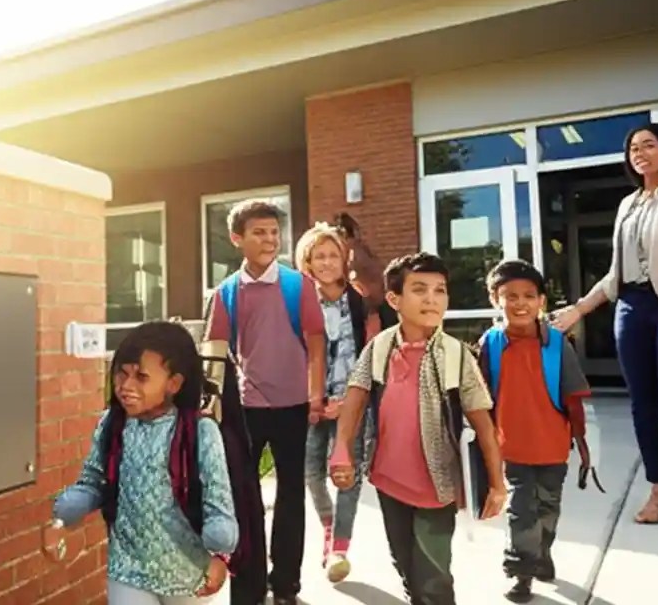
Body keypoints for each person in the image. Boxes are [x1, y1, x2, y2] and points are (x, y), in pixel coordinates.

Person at [550, 122, 658, 531]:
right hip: (631, 307)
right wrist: (579, 309)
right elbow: (615, 274)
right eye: (632, 148)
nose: (639, 153)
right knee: (641, 404)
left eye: (648, 145)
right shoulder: (627, 205)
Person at [331, 252, 506, 605]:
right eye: (420, 289)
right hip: (387, 479)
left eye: (440, 290)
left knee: (434, 579)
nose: (432, 298)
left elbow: (484, 426)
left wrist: (497, 483)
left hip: (436, 487)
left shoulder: (457, 355)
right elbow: (355, 398)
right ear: (394, 299)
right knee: (405, 564)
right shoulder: (378, 348)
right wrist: (342, 450)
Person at [46, 321, 238, 603]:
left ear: (174, 383)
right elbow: (93, 482)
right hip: (128, 568)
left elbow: (218, 503)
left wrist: (221, 554)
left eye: (141, 377)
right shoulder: (112, 425)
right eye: (121, 375)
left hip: (189, 572)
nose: (126, 386)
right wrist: (61, 517)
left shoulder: (198, 432)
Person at [204, 199, 325, 605]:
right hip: (245, 410)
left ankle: (286, 584)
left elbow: (316, 343)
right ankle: (248, 587)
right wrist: (211, 411)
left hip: (294, 407)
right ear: (237, 239)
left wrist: (316, 394)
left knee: (292, 494)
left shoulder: (298, 286)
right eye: (259, 232)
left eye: (274, 232)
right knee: (245, 498)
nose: (270, 239)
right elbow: (215, 356)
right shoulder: (224, 294)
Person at [478, 259, 594, 603]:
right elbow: (480, 395)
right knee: (522, 510)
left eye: (529, 295)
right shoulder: (491, 343)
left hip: (553, 445)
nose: (519, 303)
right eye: (509, 295)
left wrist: (583, 444)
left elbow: (573, 397)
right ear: (495, 301)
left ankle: (542, 553)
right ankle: (521, 572)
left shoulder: (558, 344)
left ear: (542, 301)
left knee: (548, 510)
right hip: (511, 446)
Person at [294, 222, 396, 583]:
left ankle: (339, 546)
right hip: (310, 403)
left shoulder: (360, 300)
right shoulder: (298, 301)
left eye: (332, 254)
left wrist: (350, 401)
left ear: (343, 258)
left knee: (347, 477)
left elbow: (369, 356)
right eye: (318, 256)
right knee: (311, 473)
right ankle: (327, 524)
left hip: (351, 403)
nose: (326, 262)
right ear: (307, 261)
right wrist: (312, 399)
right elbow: (296, 353)